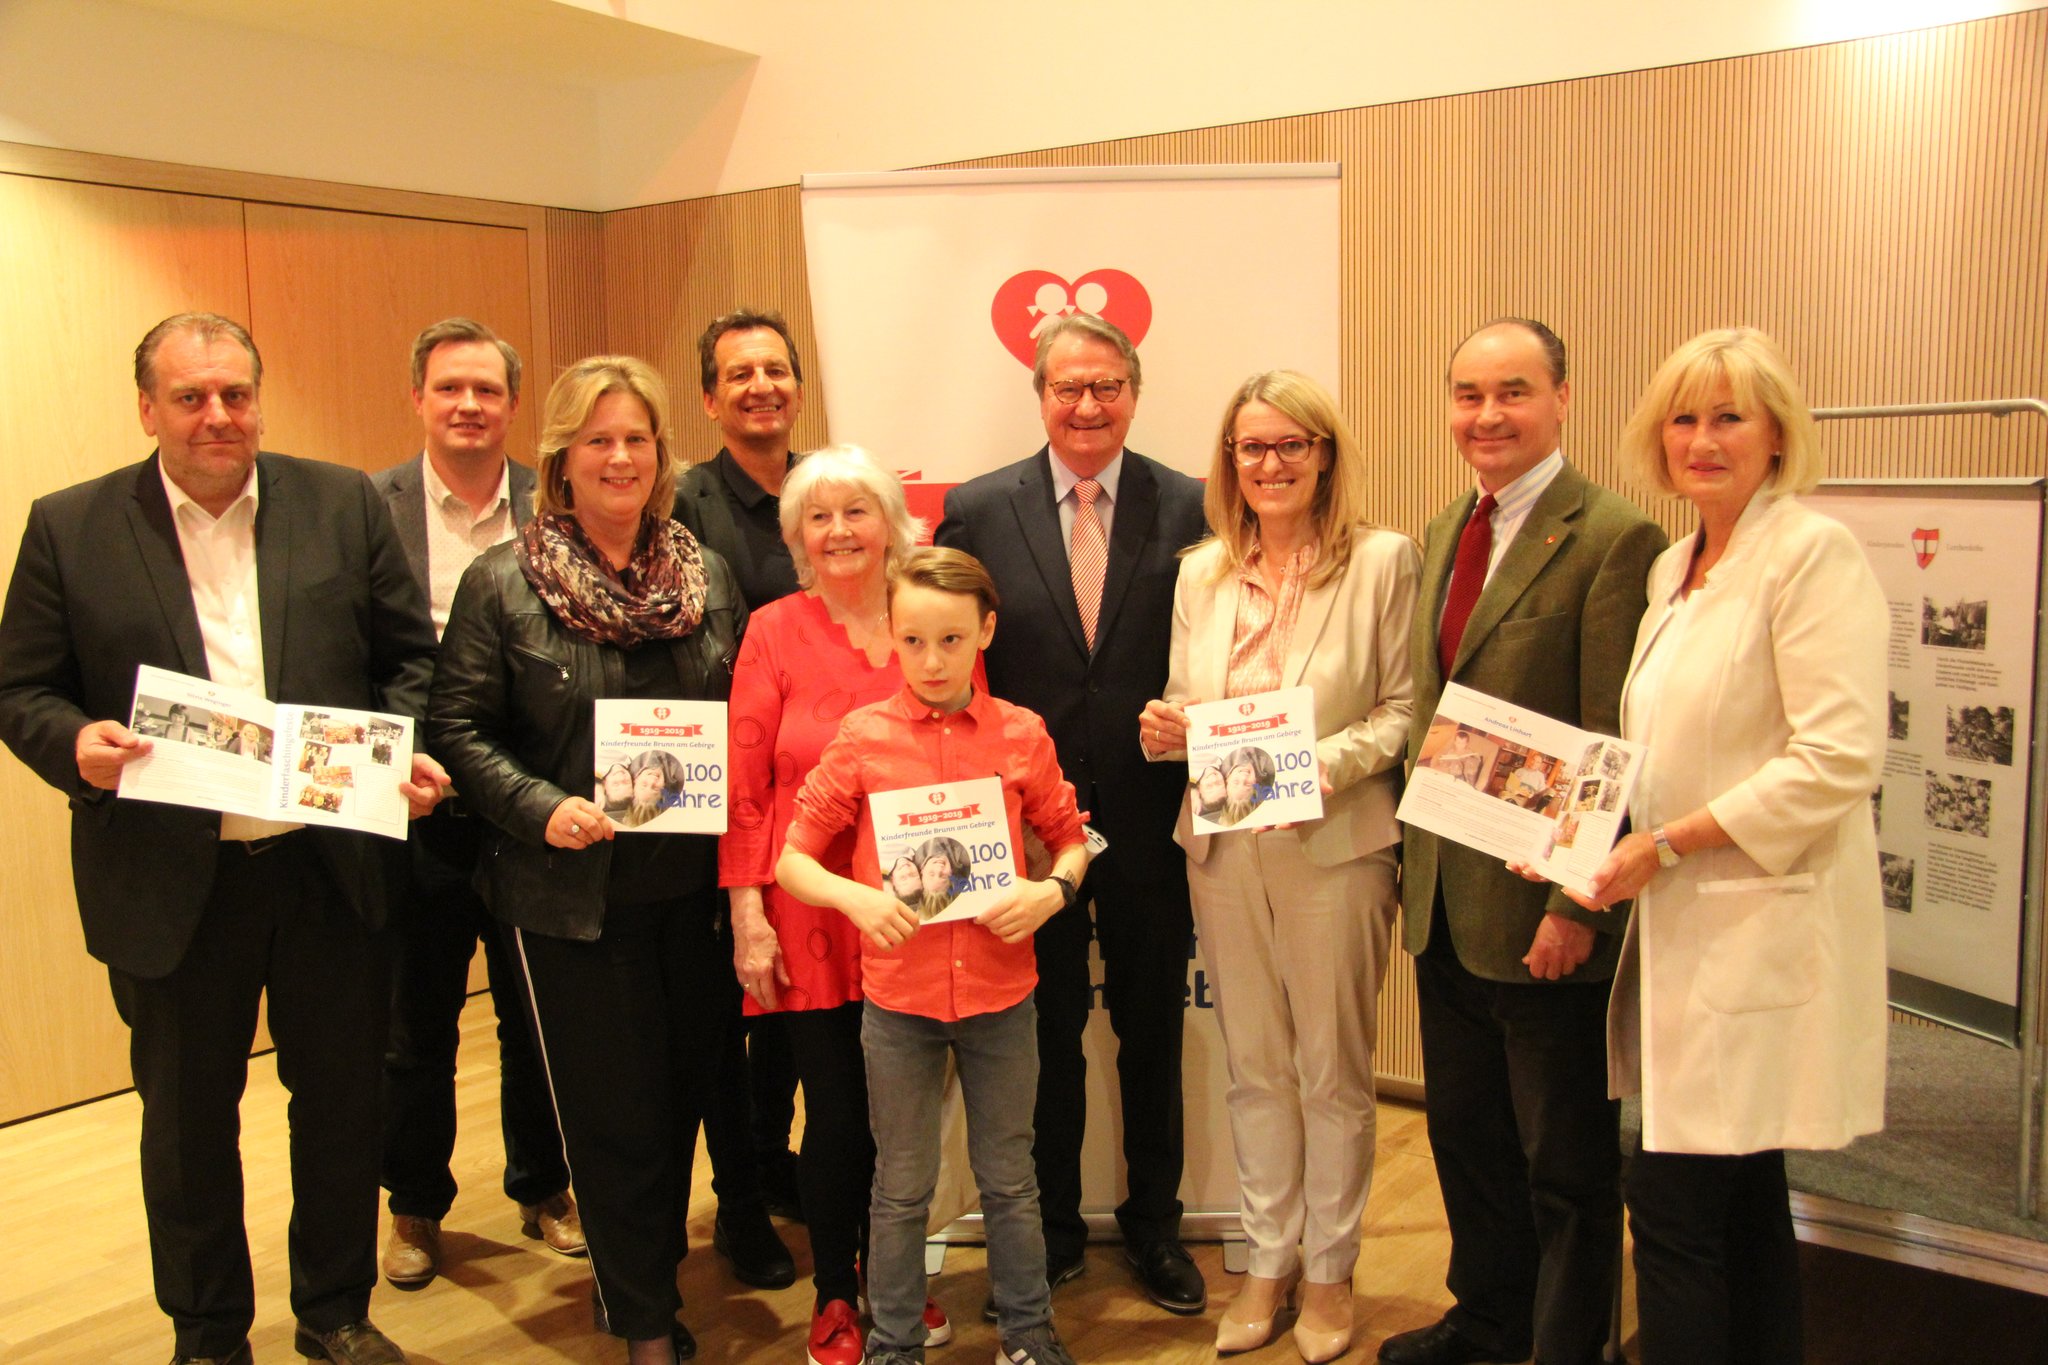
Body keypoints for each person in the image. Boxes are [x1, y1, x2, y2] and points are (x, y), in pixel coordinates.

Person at [0, 312, 444, 1365]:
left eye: (235, 394)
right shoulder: (71, 524)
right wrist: (79, 745)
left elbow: (408, 663)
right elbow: (21, 688)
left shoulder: (339, 503)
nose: (217, 415)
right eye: (191, 396)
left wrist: (404, 756)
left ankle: (334, 1310)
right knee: (190, 1126)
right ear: (147, 407)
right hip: (168, 880)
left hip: (325, 870)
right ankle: (207, 1333)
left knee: (339, 1107)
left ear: (258, 399)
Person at [1518, 328, 1887, 1364]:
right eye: (1682, 417)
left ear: (1776, 433)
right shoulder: (1677, 566)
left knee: (1671, 1209)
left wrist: (1660, 847)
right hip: (1689, 926)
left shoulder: (1809, 553)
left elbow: (1835, 759)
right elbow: (1655, 750)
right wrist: (1568, 837)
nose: (1702, 438)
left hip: (1755, 928)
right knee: (1741, 1207)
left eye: (1728, 416)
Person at [429, 354, 746, 1365]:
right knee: (614, 1121)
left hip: (693, 896)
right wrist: (541, 807)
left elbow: (743, 711)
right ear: (561, 458)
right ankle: (642, 1319)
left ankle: (648, 1280)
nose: (618, 457)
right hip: (569, 902)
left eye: (636, 440)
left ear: (661, 458)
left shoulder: (704, 572)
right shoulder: (501, 583)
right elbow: (457, 730)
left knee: (685, 1099)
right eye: (596, 440)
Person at [1383, 318, 1667, 1365]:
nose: (1485, 415)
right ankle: (1489, 1321)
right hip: (1447, 905)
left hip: (1540, 912)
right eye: (1466, 394)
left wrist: (1574, 906)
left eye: (1511, 391)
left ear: (1560, 398)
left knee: (1565, 1167)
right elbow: (1430, 712)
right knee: (1465, 1141)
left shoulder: (1609, 536)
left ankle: (1563, 1346)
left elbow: (1609, 740)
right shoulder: (1445, 524)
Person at [1139, 369, 1417, 1361]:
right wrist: (1165, 728)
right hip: (1218, 850)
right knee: (1253, 1069)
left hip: (1330, 844)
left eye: (1290, 445)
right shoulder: (1200, 572)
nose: (1269, 465)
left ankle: (1331, 1270)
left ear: (1324, 454)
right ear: (1230, 464)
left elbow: (1399, 712)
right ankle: (1267, 1260)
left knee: (1332, 1072)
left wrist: (1295, 765)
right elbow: (1184, 699)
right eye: (1251, 449)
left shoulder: (1382, 562)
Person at [936, 313, 1210, 1316]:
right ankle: (1049, 1229)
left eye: (1106, 387)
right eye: (1067, 389)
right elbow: (954, 665)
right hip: (1024, 837)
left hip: (1149, 828)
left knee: (1150, 1034)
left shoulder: (1191, 504)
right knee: (1039, 1037)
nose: (1086, 407)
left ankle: (1154, 1228)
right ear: (1038, 394)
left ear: (1132, 392)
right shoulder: (976, 508)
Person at [776, 545, 1092, 1365]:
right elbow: (793, 858)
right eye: (913, 640)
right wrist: (859, 898)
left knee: (1010, 1179)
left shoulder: (1022, 734)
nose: (931, 659)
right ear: (891, 634)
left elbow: (1071, 838)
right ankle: (893, 1345)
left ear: (985, 631)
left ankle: (1027, 1334)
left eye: (951, 640)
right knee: (901, 1184)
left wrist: (1051, 893)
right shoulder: (863, 738)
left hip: (1000, 993)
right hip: (901, 1002)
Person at [721, 445, 951, 1365]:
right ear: (796, 537)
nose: (838, 531)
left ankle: (899, 1276)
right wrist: (747, 913)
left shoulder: (928, 619)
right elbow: (744, 786)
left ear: (892, 523)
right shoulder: (774, 628)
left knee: (908, 1116)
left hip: (918, 905)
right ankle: (837, 1295)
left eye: (857, 511)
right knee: (837, 1113)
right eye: (818, 517)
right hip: (812, 913)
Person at [371, 317, 582, 1291]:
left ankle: (544, 1187)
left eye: (487, 390)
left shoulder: (561, 506)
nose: (468, 406)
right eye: (449, 388)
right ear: (417, 397)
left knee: (534, 1014)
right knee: (413, 1025)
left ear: (511, 406)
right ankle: (413, 1206)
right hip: (411, 815)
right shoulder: (363, 512)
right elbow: (346, 658)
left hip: (529, 811)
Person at [675, 306, 808, 1236]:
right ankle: (739, 1200)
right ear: (711, 397)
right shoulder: (683, 503)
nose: (762, 386)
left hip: (821, 789)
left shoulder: (827, 488)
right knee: (732, 1006)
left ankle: (777, 1163)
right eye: (741, 373)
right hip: (722, 790)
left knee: (800, 998)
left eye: (777, 369)